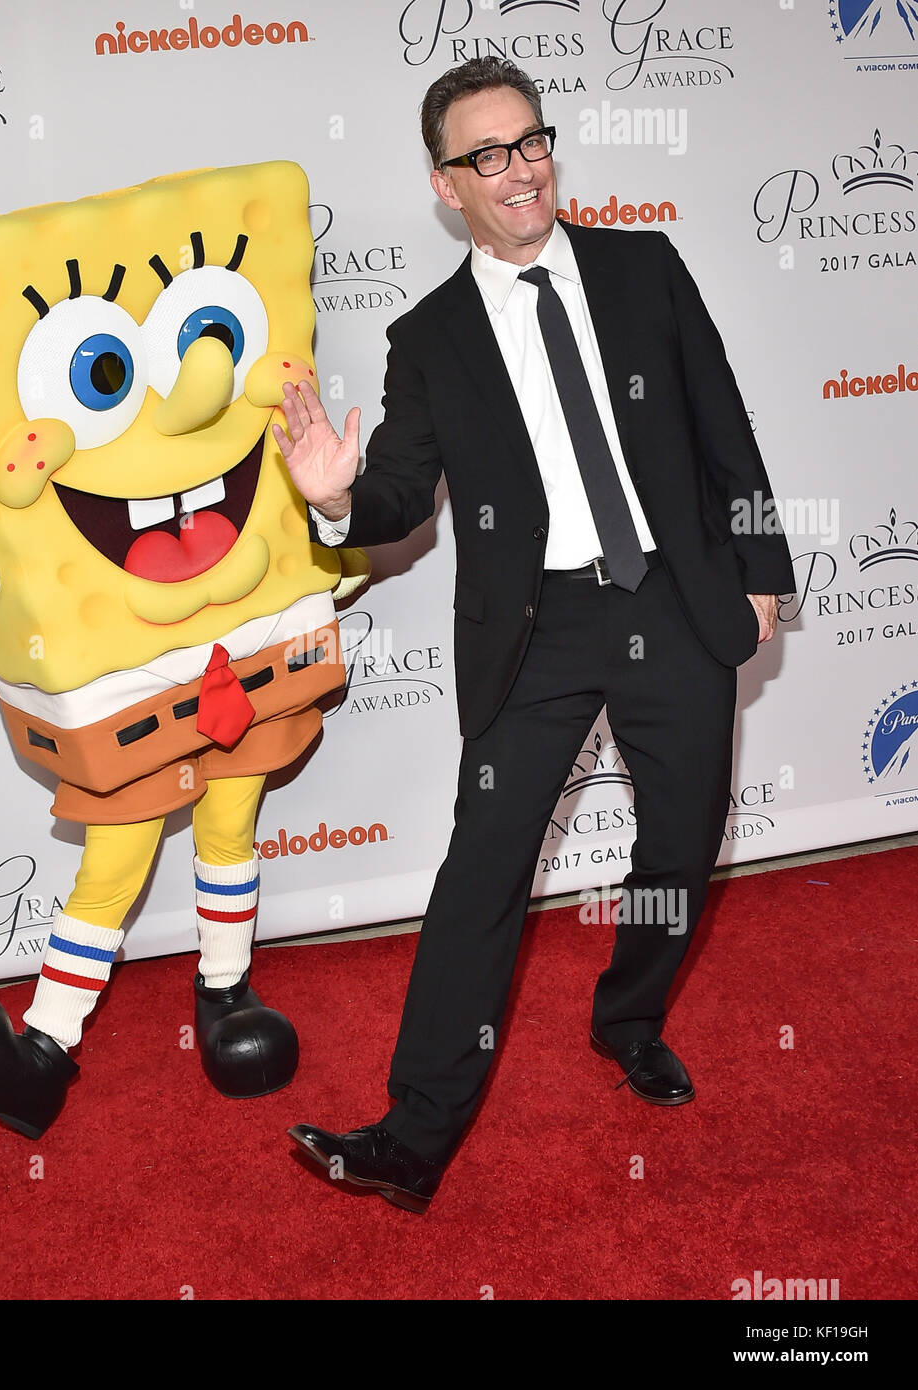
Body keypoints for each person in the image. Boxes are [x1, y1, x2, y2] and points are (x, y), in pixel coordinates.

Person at [273, 57, 795, 1212]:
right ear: (444, 183)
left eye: (531, 143)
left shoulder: (639, 264)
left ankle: (630, 1019)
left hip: (672, 593)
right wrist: (334, 498)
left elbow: (727, 426)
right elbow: (399, 494)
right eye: (487, 156)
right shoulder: (434, 337)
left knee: (680, 843)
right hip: (537, 628)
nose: (519, 170)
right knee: (483, 871)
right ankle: (415, 1136)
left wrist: (761, 565)